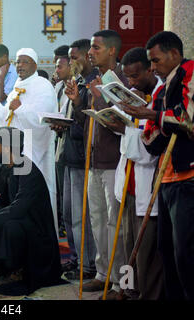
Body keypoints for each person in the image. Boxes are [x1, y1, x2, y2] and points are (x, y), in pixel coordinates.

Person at [121, 31, 194, 301]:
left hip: (188, 177)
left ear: (174, 54)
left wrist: (153, 115)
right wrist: (146, 120)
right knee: (167, 250)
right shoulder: (161, 90)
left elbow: (188, 119)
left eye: (156, 60)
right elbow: (151, 140)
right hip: (165, 179)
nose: (152, 67)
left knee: (185, 251)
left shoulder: (190, 72)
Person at [0, 126, 63, 296]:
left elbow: (18, 209)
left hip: (36, 233)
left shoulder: (28, 170)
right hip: (19, 220)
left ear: (8, 148)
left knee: (9, 225)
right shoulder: (5, 167)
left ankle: (13, 267)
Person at [100, 47, 164, 300]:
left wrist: (126, 130)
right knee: (127, 247)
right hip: (127, 184)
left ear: (150, 69)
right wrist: (119, 125)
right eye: (128, 79)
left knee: (146, 251)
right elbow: (130, 139)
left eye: (136, 77)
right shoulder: (138, 97)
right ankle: (129, 288)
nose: (132, 83)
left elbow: (148, 151)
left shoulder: (158, 99)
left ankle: (146, 294)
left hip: (147, 187)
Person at [0, 47, 59, 234]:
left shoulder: (42, 86)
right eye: (17, 62)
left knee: (29, 196)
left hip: (33, 148)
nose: (20, 65)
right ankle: (15, 230)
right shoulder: (18, 87)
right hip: (13, 149)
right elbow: (8, 117)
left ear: (35, 65)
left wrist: (21, 109)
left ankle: (37, 232)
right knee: (12, 192)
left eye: (24, 61)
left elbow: (44, 119)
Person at [82, 30, 130, 299]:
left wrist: (99, 97)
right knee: (97, 219)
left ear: (112, 51)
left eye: (96, 48)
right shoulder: (94, 79)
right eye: (91, 47)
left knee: (115, 223)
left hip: (113, 161)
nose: (91, 52)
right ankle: (103, 273)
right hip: (93, 159)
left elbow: (121, 119)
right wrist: (81, 101)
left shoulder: (122, 80)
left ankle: (119, 281)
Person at [55, 39, 99, 281]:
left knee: (82, 216)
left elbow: (88, 123)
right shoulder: (76, 83)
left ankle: (88, 264)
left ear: (85, 57)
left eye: (74, 58)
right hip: (69, 153)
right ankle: (75, 258)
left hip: (83, 156)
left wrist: (78, 104)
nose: (71, 62)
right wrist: (60, 124)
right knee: (70, 214)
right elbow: (74, 119)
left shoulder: (92, 84)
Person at [53, 55, 71, 237]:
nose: (57, 70)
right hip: (57, 140)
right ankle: (60, 221)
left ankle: (65, 224)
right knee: (59, 187)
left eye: (60, 66)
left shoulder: (76, 87)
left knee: (67, 191)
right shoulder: (58, 87)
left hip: (69, 142)